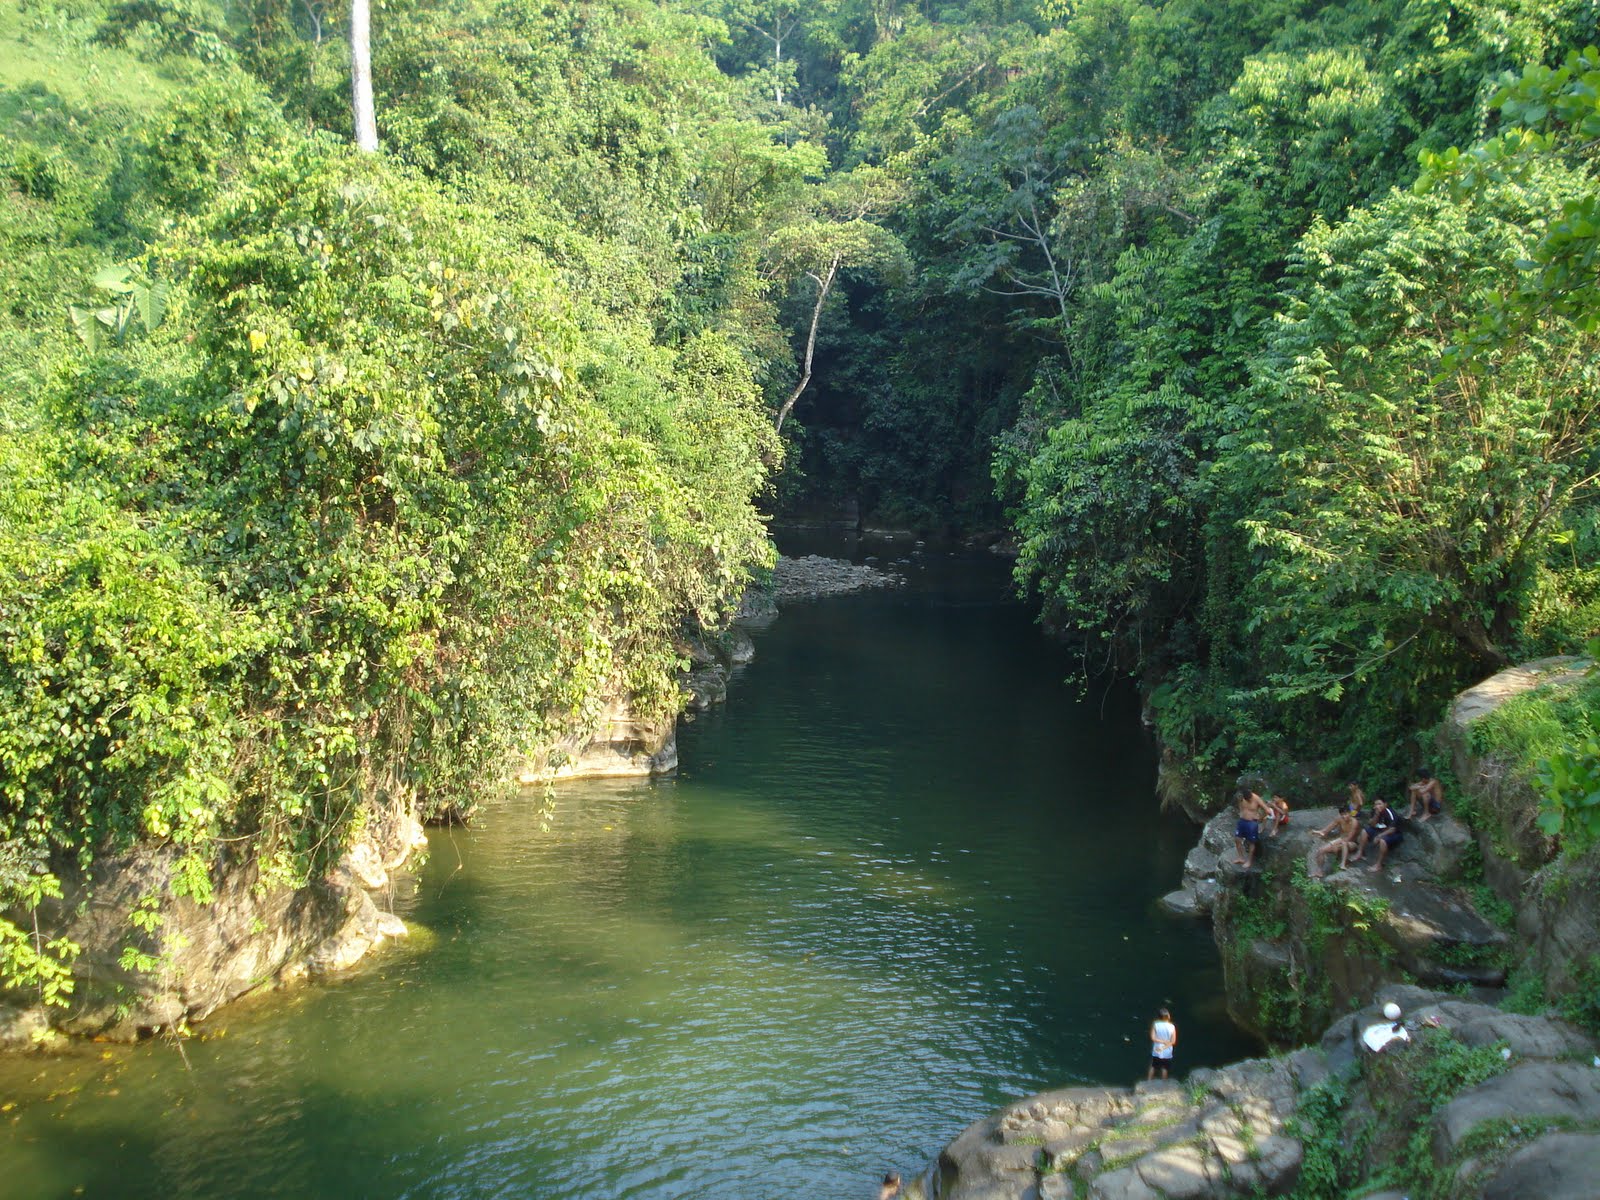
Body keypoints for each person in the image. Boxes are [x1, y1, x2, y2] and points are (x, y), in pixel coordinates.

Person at [1354, 796, 1403, 871]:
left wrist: (1379, 836)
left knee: (1382, 841)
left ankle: (1378, 864)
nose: (1377, 806)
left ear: (1385, 804)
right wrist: (1377, 814)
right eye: (1376, 804)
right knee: (1364, 831)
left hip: (1394, 833)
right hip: (1380, 830)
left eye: (1380, 804)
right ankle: (1360, 852)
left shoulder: (1390, 813)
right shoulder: (1375, 811)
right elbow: (1372, 824)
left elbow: (1392, 829)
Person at [1309, 807, 1360, 878]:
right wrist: (1318, 832)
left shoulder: (1354, 822)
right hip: (1341, 840)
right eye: (1342, 814)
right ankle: (1319, 871)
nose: (1344, 816)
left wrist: (1336, 844)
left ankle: (1343, 864)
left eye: (1345, 814)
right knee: (1321, 850)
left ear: (1350, 813)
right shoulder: (1339, 819)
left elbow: (1349, 838)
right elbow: (1326, 830)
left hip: (1352, 843)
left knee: (1344, 843)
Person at [1232, 788, 1268, 868]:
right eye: (1247, 799)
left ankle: (1249, 861)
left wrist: (1261, 818)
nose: (1250, 800)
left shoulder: (1257, 799)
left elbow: (1267, 810)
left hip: (1252, 823)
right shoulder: (1241, 798)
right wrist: (1241, 812)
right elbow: (1240, 805)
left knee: (1251, 842)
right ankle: (1241, 857)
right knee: (1237, 839)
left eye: (1250, 798)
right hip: (1242, 821)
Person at [1148, 1007, 1178, 1080]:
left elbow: (1153, 1037)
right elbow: (1173, 1041)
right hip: (1167, 1052)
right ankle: (1163, 1084)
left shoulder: (1156, 1025)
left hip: (1157, 1050)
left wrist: (1161, 1043)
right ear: (1168, 1016)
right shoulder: (1172, 1027)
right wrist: (1164, 1045)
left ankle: (1148, 1082)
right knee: (1165, 1068)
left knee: (1153, 1066)